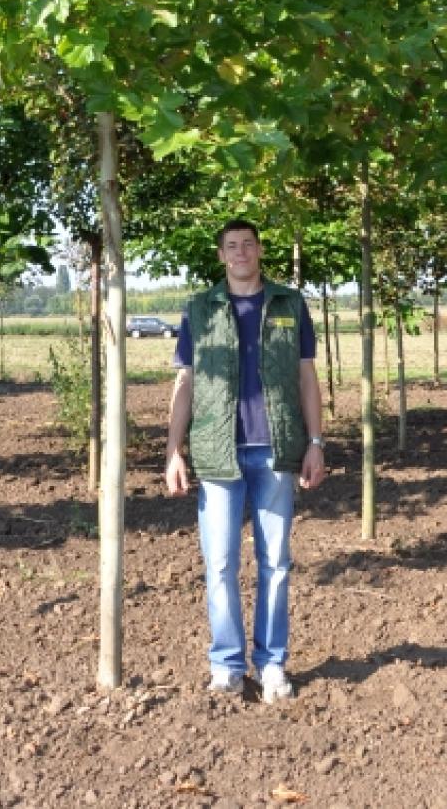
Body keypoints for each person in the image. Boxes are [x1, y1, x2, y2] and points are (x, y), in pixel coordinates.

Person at [165, 217, 326, 701]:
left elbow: (305, 377)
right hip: (217, 452)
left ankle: (272, 664)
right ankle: (227, 665)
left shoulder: (289, 304)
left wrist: (315, 441)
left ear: (259, 251)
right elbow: (185, 382)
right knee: (219, 563)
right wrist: (173, 450)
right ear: (221, 256)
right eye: (231, 246)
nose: (240, 252)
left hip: (275, 450)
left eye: (248, 245)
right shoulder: (199, 308)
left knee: (275, 561)